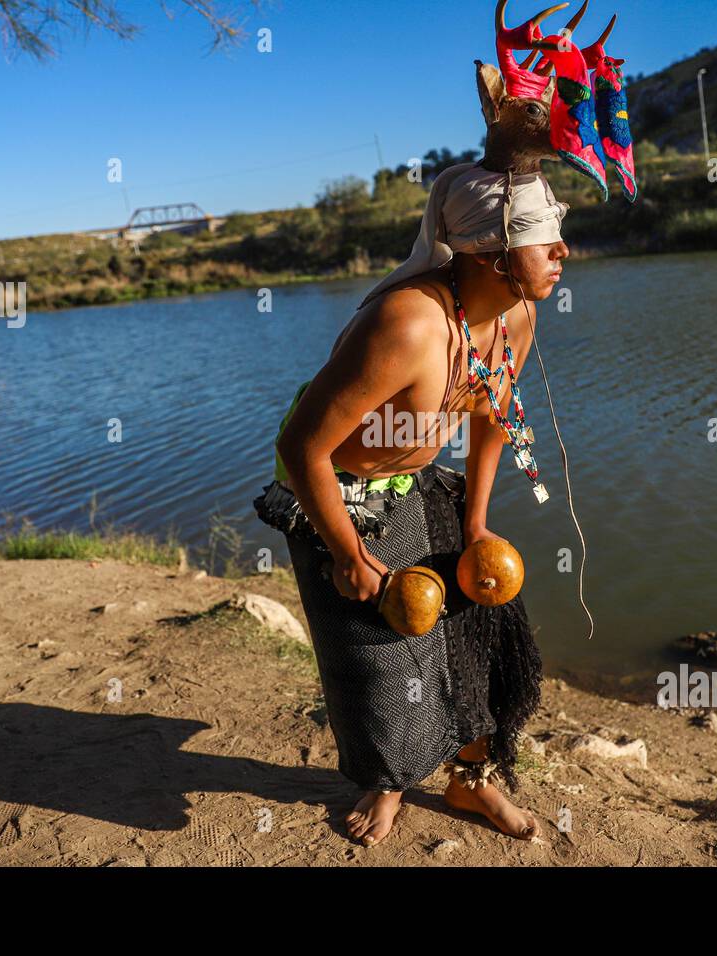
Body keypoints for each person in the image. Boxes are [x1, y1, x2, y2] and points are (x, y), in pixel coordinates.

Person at [253, 161, 568, 847]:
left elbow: (493, 415)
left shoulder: (516, 316)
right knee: (386, 658)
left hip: (417, 479)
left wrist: (478, 521)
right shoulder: (407, 325)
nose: (563, 252)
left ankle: (471, 780)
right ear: (490, 250)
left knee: (476, 634)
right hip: (332, 492)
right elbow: (304, 443)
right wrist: (348, 553)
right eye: (545, 237)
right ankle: (389, 782)